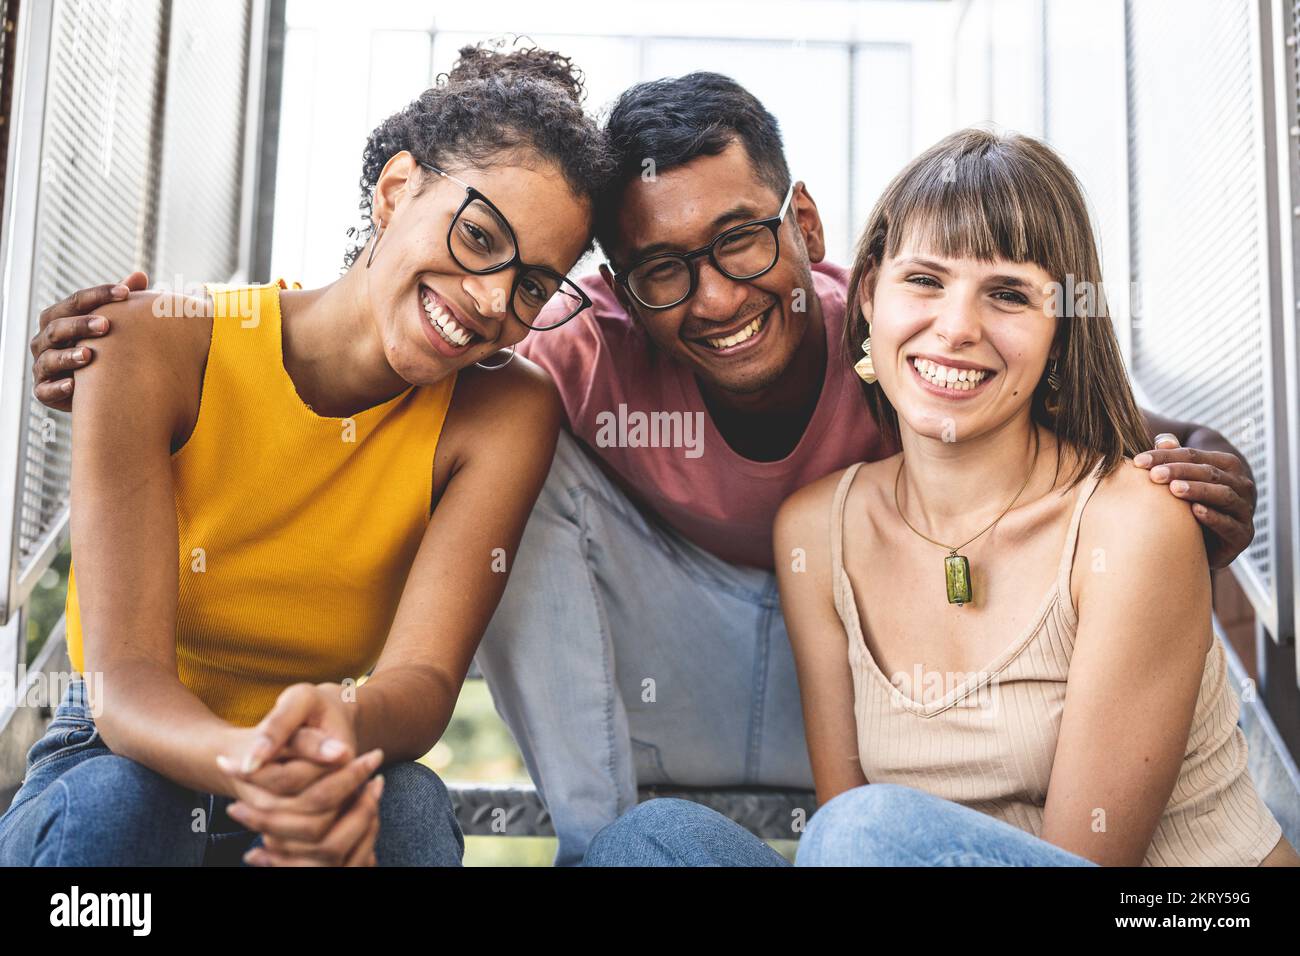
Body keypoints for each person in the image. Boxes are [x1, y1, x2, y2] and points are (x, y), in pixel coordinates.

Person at [32, 75, 1259, 868]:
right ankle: (595, 840)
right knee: (118, 826)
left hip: (930, 788)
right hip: (166, 737)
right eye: (659, 269)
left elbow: (1033, 382)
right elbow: (361, 329)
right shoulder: (537, 358)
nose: (714, 295)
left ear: (814, 237)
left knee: (422, 815)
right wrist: (133, 367)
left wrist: (1185, 459)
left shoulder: (904, 340)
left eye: (740, 240)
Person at [583, 129, 1298, 868]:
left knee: (868, 831)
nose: (956, 329)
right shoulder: (817, 529)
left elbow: (1086, 860)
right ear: (868, 296)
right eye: (924, 281)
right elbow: (839, 821)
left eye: (1009, 294)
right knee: (650, 844)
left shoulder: (1130, 523)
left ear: (1061, 328)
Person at [3, 40, 612, 866]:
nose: (494, 299)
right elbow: (124, 687)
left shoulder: (507, 410)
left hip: (329, 755)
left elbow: (425, 684)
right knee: (120, 807)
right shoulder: (154, 345)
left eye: (535, 284)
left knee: (406, 810)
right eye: (477, 236)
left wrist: (334, 738)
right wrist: (262, 766)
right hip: (124, 746)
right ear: (397, 192)